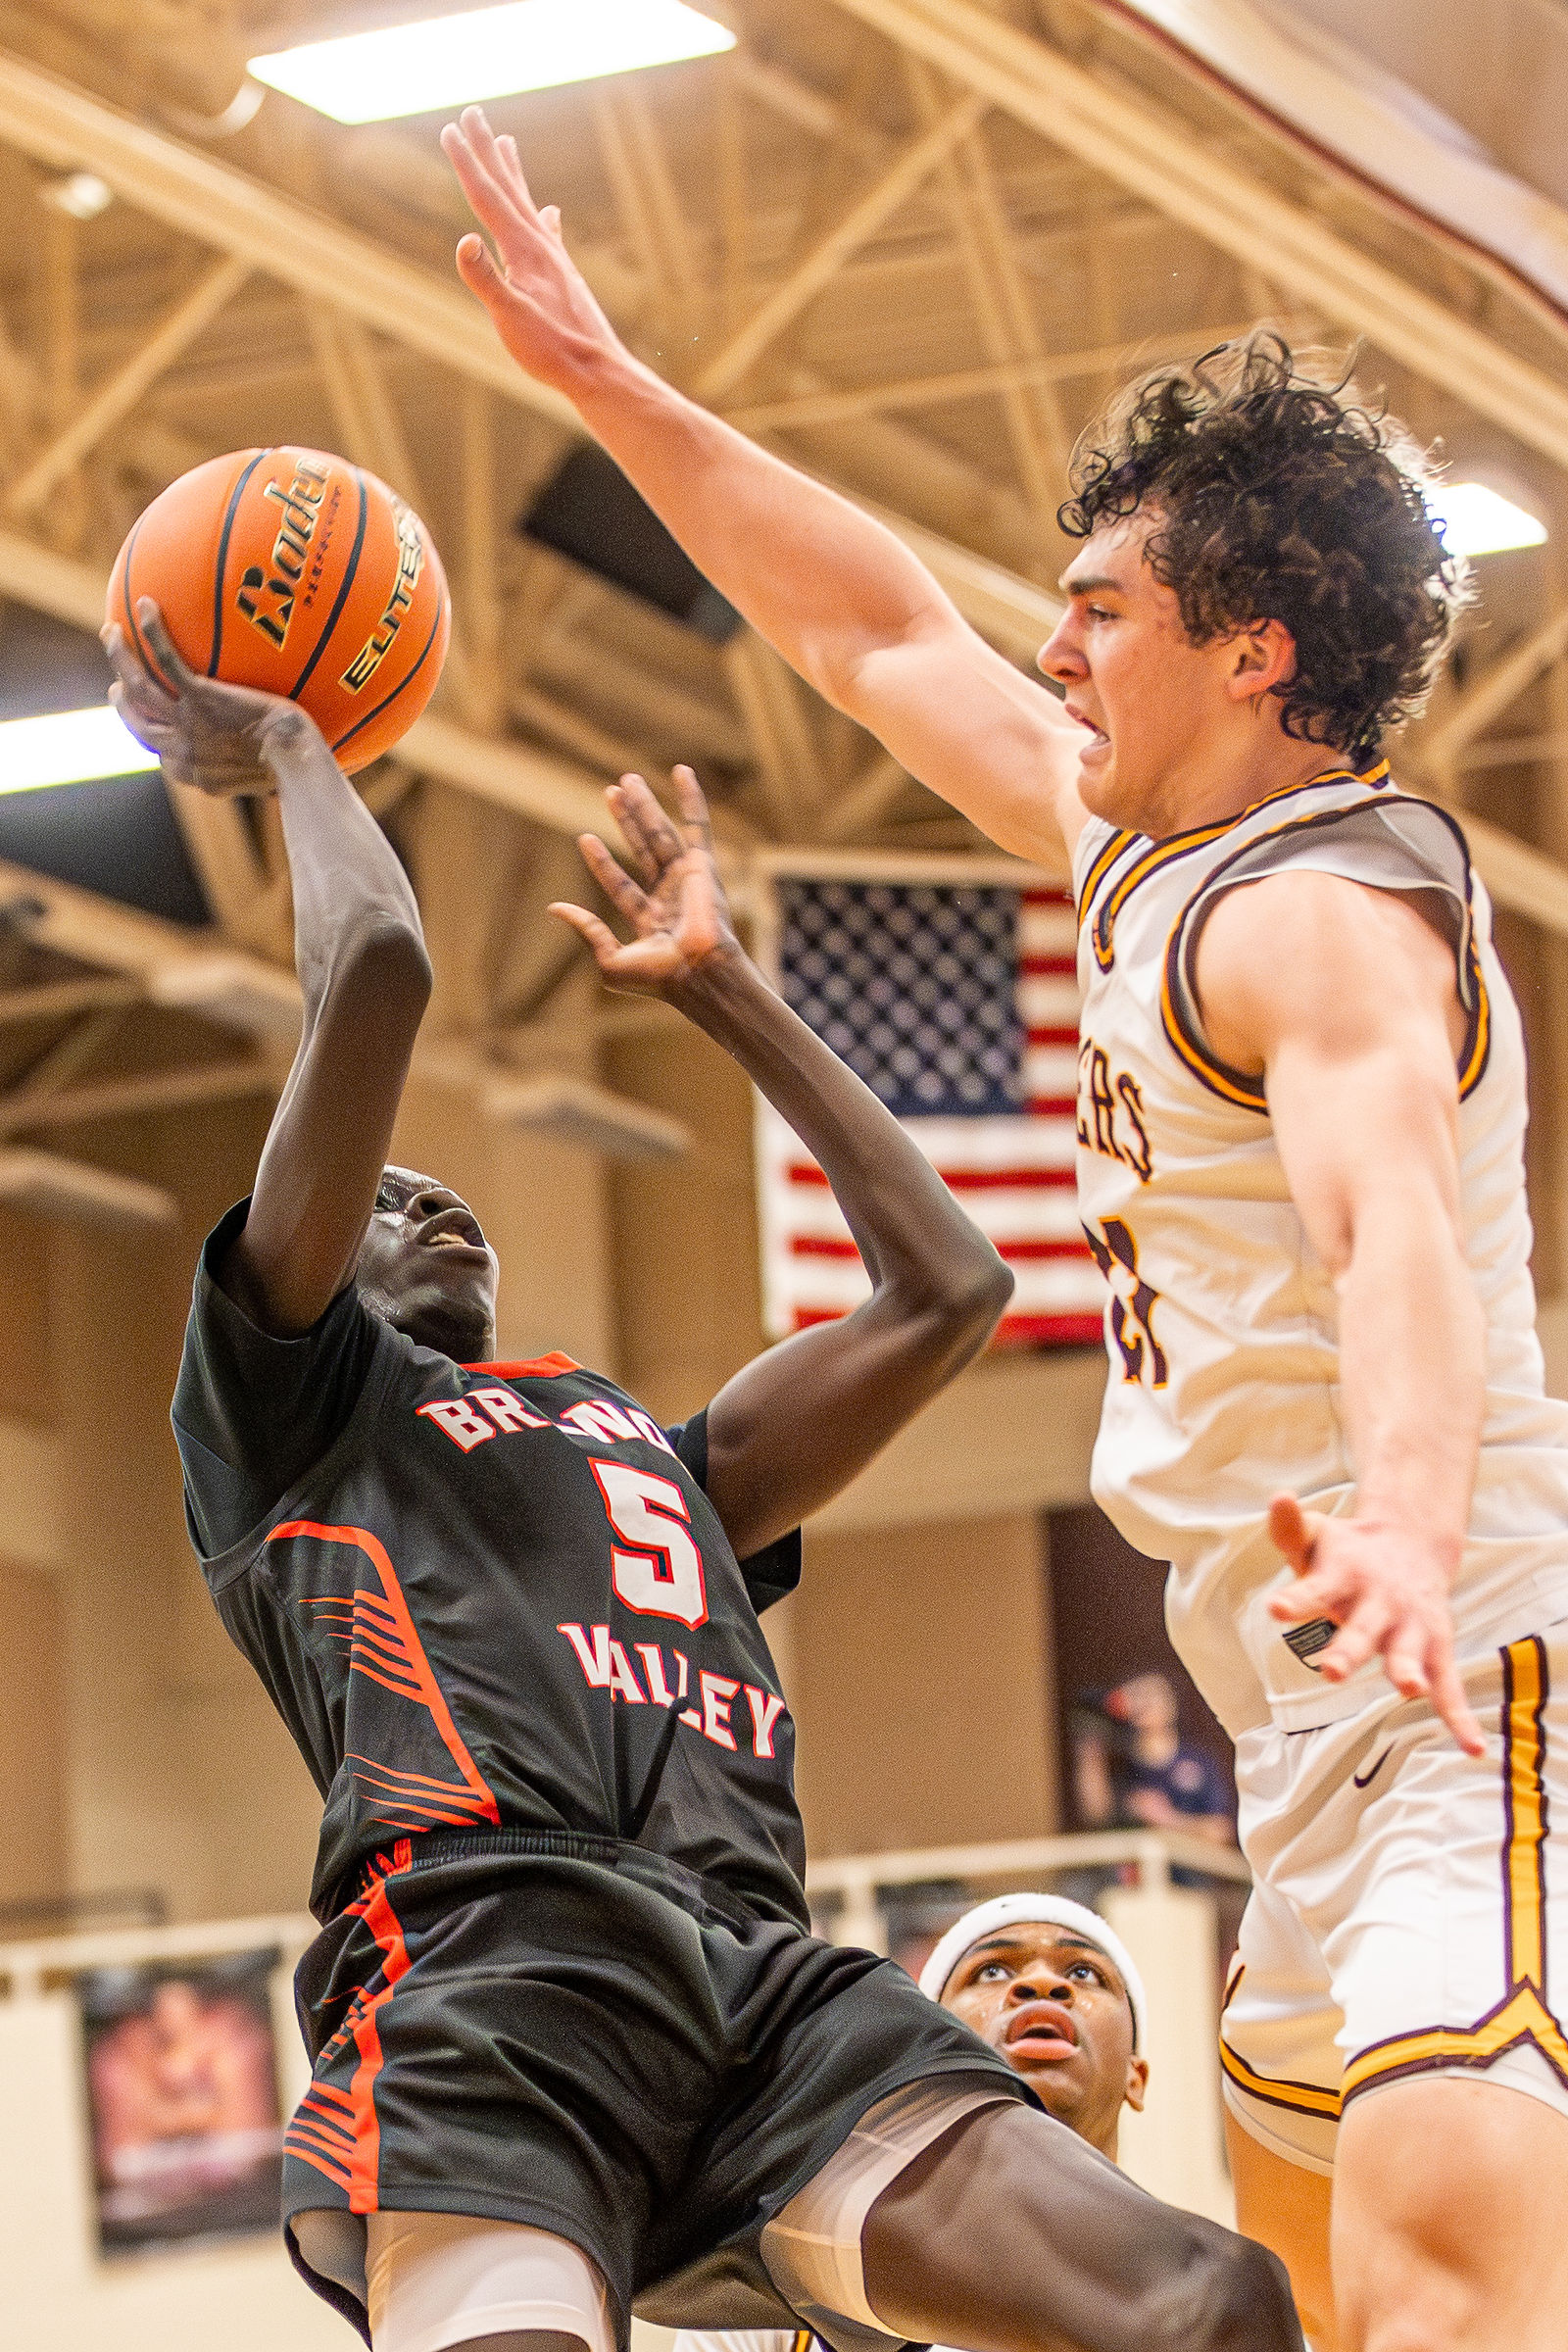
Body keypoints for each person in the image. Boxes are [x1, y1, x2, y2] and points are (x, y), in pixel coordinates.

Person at [440, 106, 1568, 2352]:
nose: (1048, 639)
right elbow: (869, 628)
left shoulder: (1325, 917)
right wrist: (603, 380)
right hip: (1293, 1709)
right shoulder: (1134, 843)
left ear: (1249, 653)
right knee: (1287, 2292)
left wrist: (1421, 1531)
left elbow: (1389, 1242)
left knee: (1450, 2271)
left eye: (1101, 607)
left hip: (1467, 1671)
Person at [105, 605, 1298, 2352]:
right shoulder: (293, 1419)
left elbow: (949, 1289)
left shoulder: (657, 1466)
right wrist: (292, 742)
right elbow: (377, 977)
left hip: (761, 1987)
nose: (427, 1199)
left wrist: (727, 990)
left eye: (448, 1192)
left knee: (1208, 2300)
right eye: (376, 1197)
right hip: (490, 1964)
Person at [675, 1893, 1151, 2352]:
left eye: (1084, 1972)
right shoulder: (784, 2279)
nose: (1042, 1984)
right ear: (929, 2057)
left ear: (1136, 2074)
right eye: (991, 1970)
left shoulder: (1195, 2299)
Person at [1074, 1675, 1234, 1850]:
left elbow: (1222, 1832)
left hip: (1187, 1871)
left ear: (1170, 1705)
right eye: (1135, 1696)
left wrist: (1168, 1819)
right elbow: (1097, 1814)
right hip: (1136, 1869)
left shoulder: (1199, 1763)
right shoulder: (1122, 1763)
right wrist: (1090, 1749)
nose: (1142, 1703)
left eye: (1150, 1695)